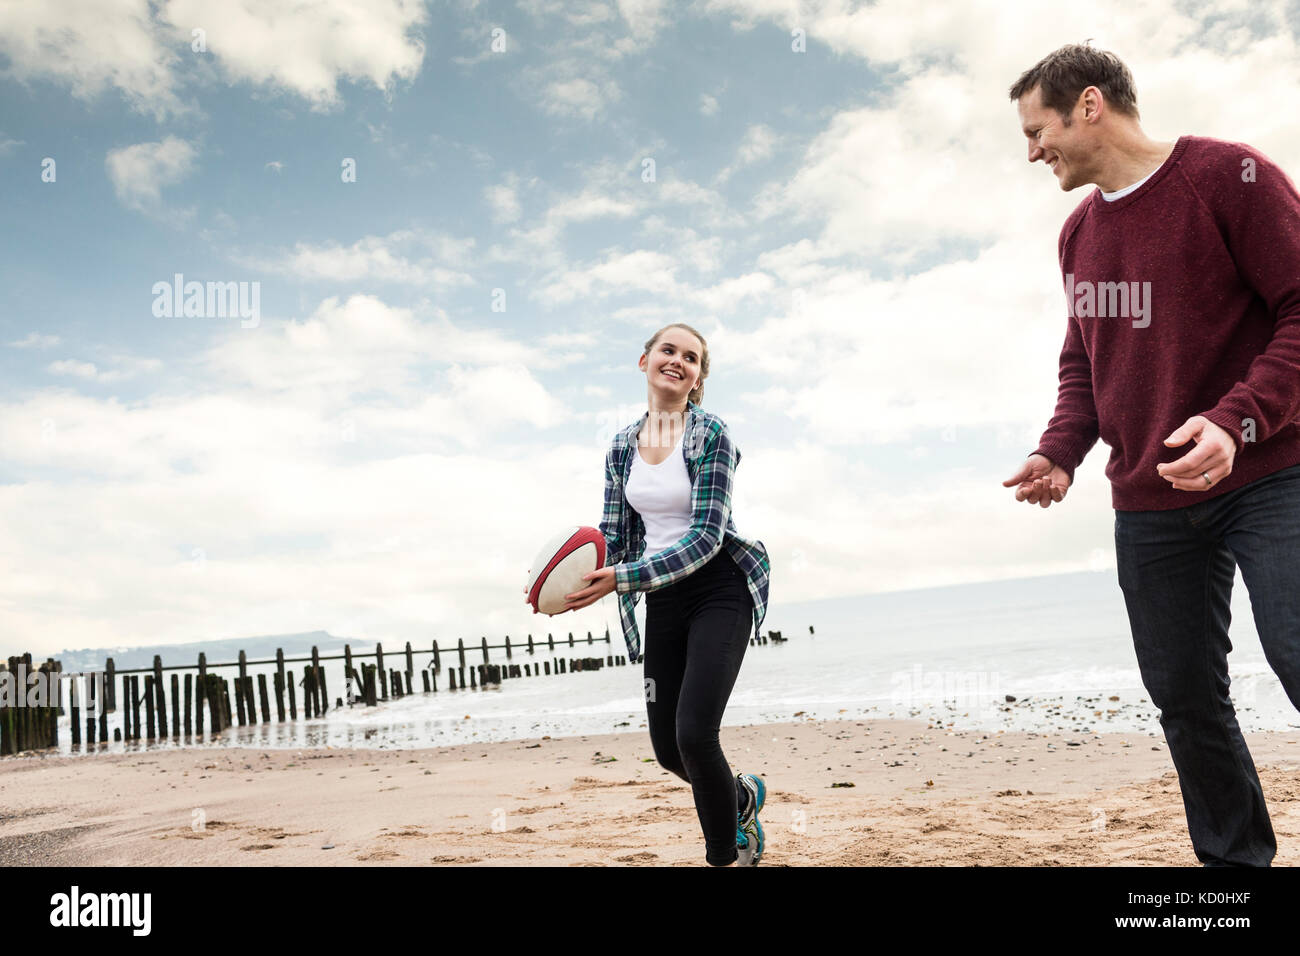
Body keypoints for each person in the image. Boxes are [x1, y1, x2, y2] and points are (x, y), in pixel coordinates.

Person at [1003, 43, 1300, 866]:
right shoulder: (1077, 235)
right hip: (1150, 503)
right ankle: (1235, 871)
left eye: (1038, 130)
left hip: (1274, 472)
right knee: (1184, 698)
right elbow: (1084, 362)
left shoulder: (1229, 177)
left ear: (1088, 105)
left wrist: (1235, 421)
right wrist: (1060, 450)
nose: (1032, 151)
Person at [564, 323, 773, 866]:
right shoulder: (619, 448)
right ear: (645, 361)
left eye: (691, 357)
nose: (677, 361)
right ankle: (743, 797)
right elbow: (613, 538)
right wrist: (562, 582)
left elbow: (705, 537)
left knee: (696, 734)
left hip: (719, 589)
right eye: (668, 350)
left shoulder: (711, 436)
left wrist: (625, 577)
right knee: (667, 750)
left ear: (698, 377)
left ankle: (729, 855)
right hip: (662, 598)